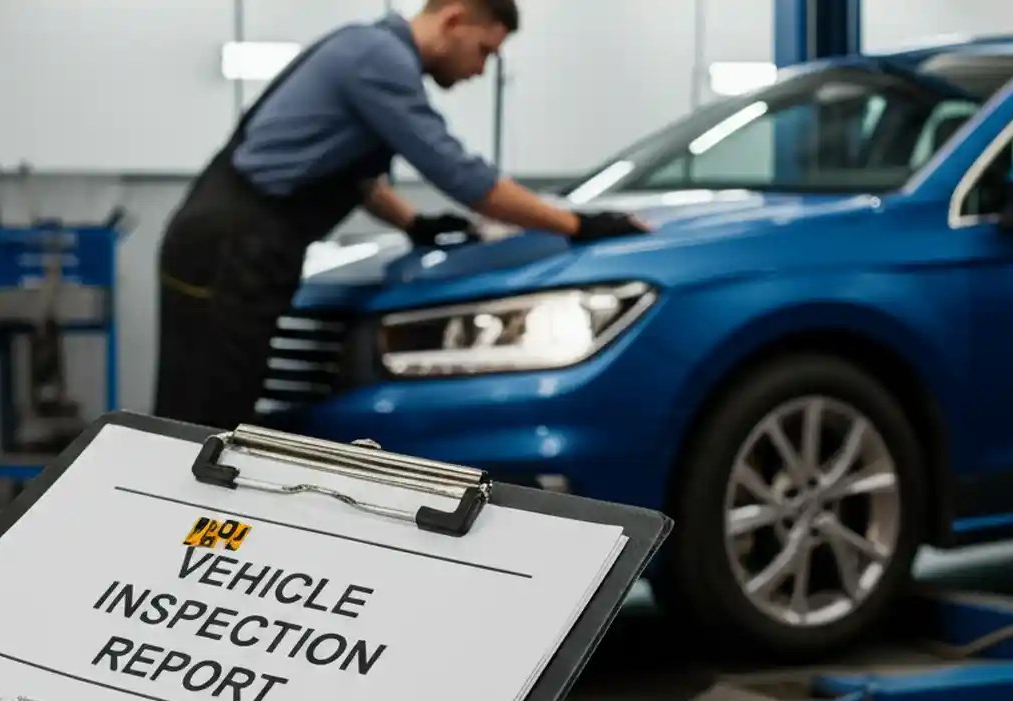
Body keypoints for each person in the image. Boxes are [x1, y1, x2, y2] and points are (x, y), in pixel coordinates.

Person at [153, 0, 647, 429]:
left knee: (214, 403)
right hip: (228, 247)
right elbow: (463, 176)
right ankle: (171, 532)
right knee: (204, 415)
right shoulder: (379, 59)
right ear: (454, 20)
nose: (480, 70)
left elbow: (357, 178)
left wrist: (413, 223)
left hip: (234, 245)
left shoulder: (364, 49)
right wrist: (579, 225)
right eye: (484, 52)